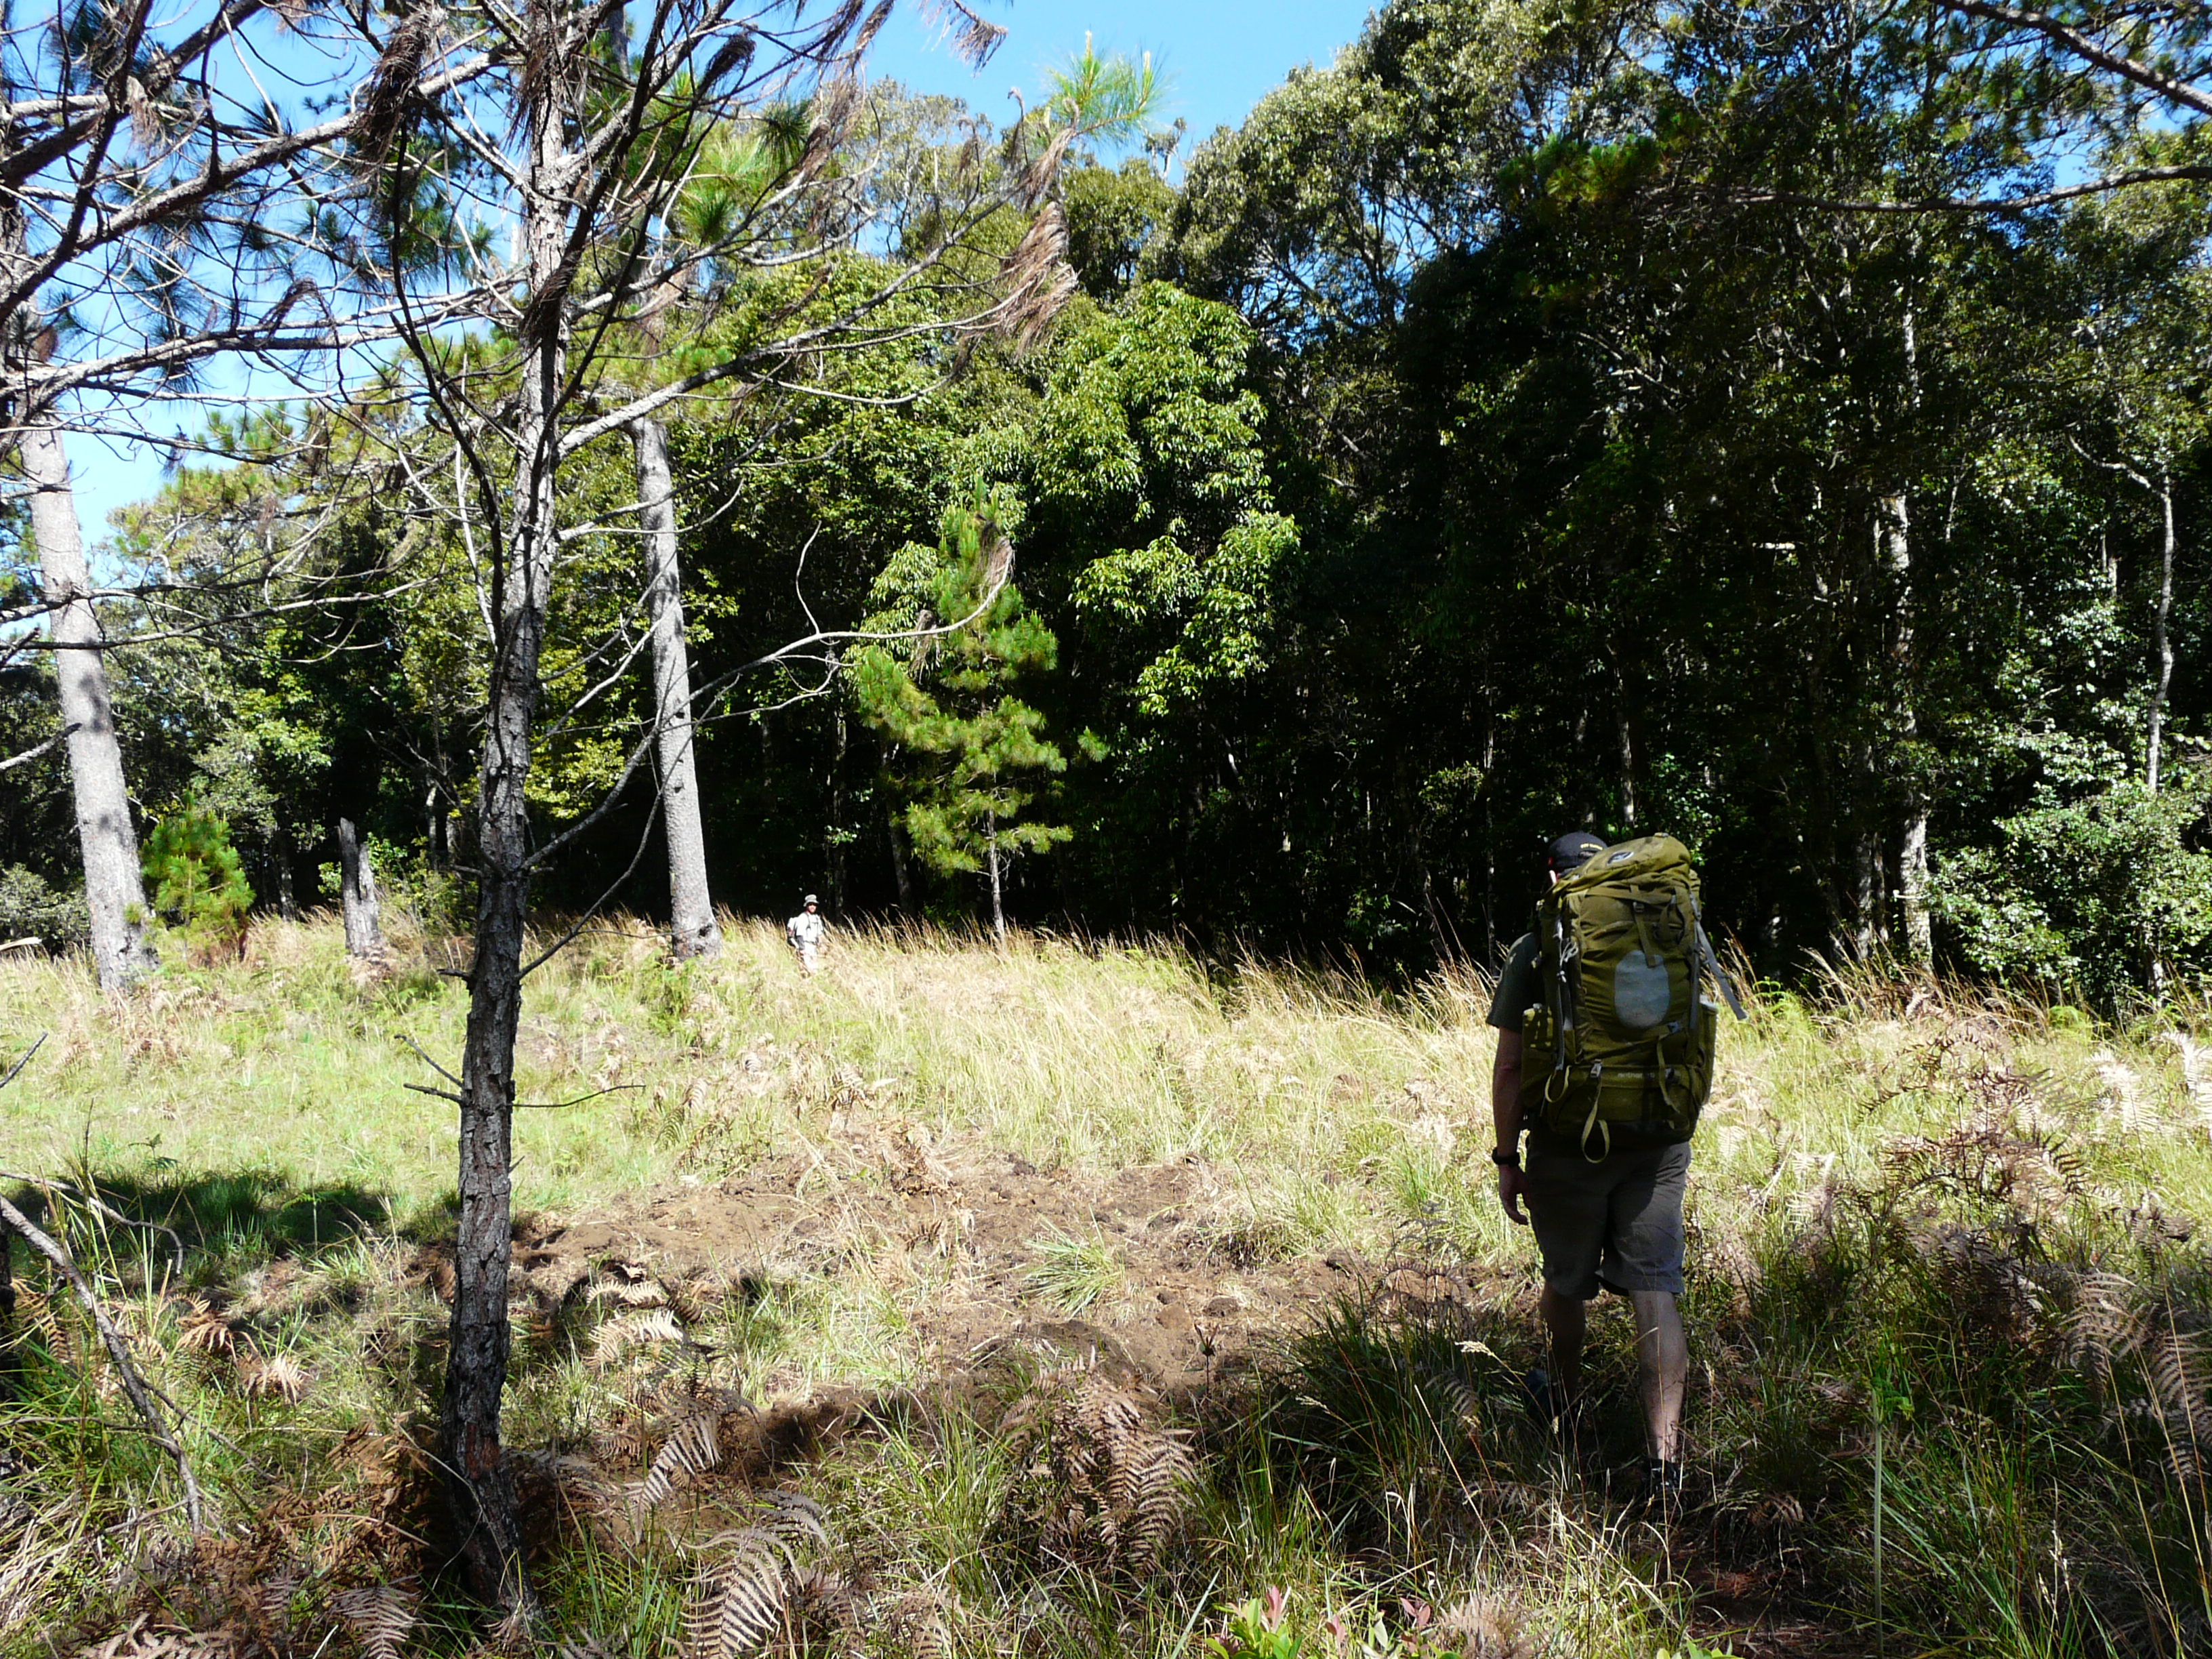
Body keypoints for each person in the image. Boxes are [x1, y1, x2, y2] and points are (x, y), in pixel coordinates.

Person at [1488, 831, 1691, 1507]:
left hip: (1569, 1143)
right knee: (1655, 1289)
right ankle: (1664, 1464)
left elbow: (1511, 1066)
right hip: (1658, 1139)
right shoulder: (1667, 932)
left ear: (1552, 876)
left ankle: (1565, 1410)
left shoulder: (1537, 947)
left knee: (1566, 1282)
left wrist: (1506, 1158)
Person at [786, 893, 825, 974]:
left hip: (814, 947)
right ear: (807, 906)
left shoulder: (817, 918)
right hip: (805, 946)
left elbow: (820, 934)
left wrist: (822, 945)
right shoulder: (803, 917)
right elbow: (800, 934)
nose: (812, 907)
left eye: (814, 905)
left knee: (815, 969)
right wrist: (802, 949)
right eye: (810, 904)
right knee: (809, 970)